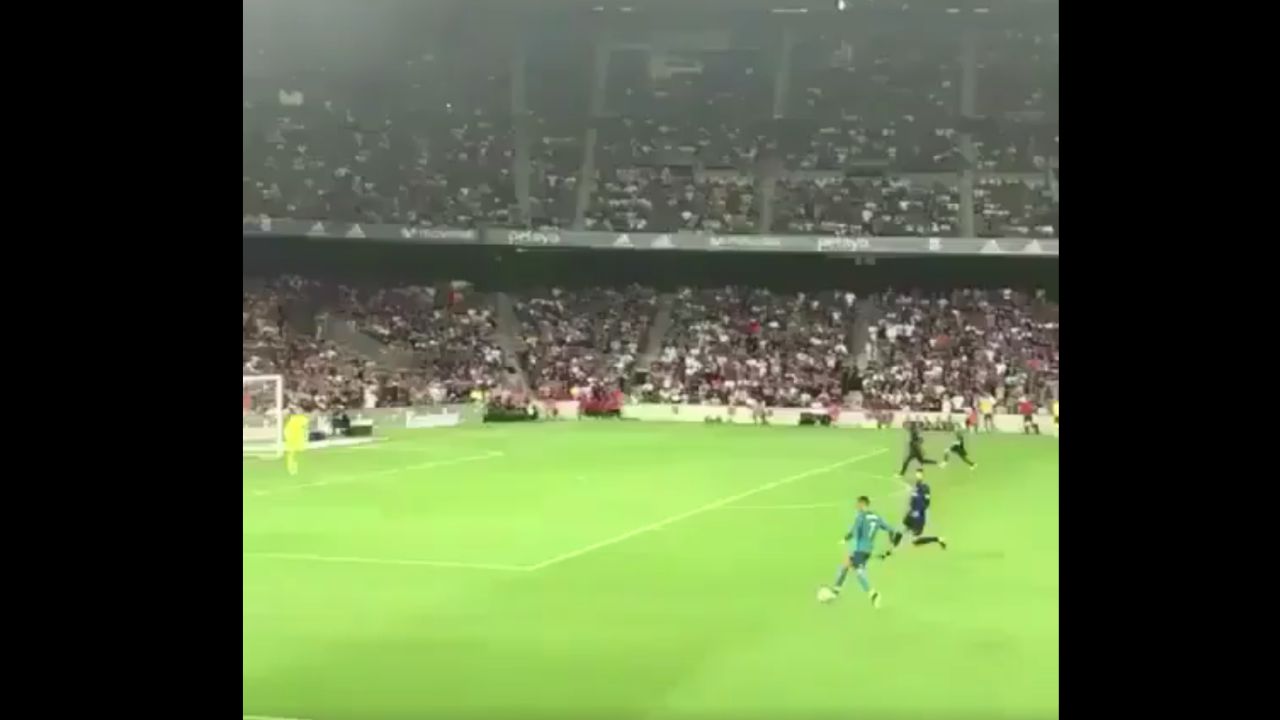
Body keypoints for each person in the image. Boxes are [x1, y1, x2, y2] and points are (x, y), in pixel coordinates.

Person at [824, 496, 898, 608]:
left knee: (858, 572)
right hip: (867, 550)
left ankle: (873, 594)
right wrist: (891, 547)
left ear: (863, 504)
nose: (856, 506)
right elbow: (891, 530)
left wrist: (844, 540)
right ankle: (835, 591)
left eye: (858, 504)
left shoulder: (861, 516)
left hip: (860, 550)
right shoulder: (877, 517)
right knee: (846, 564)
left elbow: (853, 532)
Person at [881, 472, 948, 558]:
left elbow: (926, 503)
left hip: (918, 519)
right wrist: (911, 510)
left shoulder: (925, 488)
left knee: (915, 541)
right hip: (911, 516)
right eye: (917, 475)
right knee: (900, 531)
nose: (917, 477)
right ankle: (891, 550)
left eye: (919, 475)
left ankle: (938, 539)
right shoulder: (915, 489)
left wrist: (918, 510)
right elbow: (912, 502)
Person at [283, 408, 309, 476]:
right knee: (293, 455)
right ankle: (293, 470)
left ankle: (294, 469)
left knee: (293, 455)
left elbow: (305, 427)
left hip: (295, 438)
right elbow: (306, 426)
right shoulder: (298, 418)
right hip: (294, 438)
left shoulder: (296, 419)